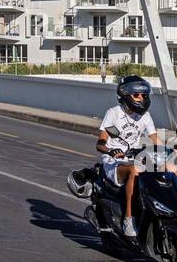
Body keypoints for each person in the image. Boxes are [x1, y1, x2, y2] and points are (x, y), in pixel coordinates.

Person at [67, 74, 160, 238]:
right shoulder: (114, 114)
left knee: (169, 168)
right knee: (135, 171)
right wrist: (110, 150)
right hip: (114, 163)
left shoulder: (145, 116)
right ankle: (129, 220)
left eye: (144, 95)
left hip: (134, 158)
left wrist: (170, 151)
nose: (141, 98)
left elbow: (155, 139)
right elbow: (100, 143)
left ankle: (163, 211)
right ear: (125, 95)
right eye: (136, 94)